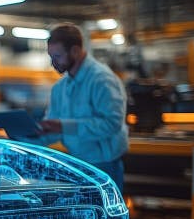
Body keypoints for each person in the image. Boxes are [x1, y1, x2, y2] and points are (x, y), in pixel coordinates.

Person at [31, 23, 129, 191]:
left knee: (106, 216)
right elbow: (54, 129)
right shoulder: (60, 88)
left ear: (75, 51)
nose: (53, 63)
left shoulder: (102, 80)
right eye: (51, 57)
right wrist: (28, 135)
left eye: (57, 56)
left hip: (104, 167)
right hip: (76, 164)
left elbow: (112, 124)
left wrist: (62, 125)